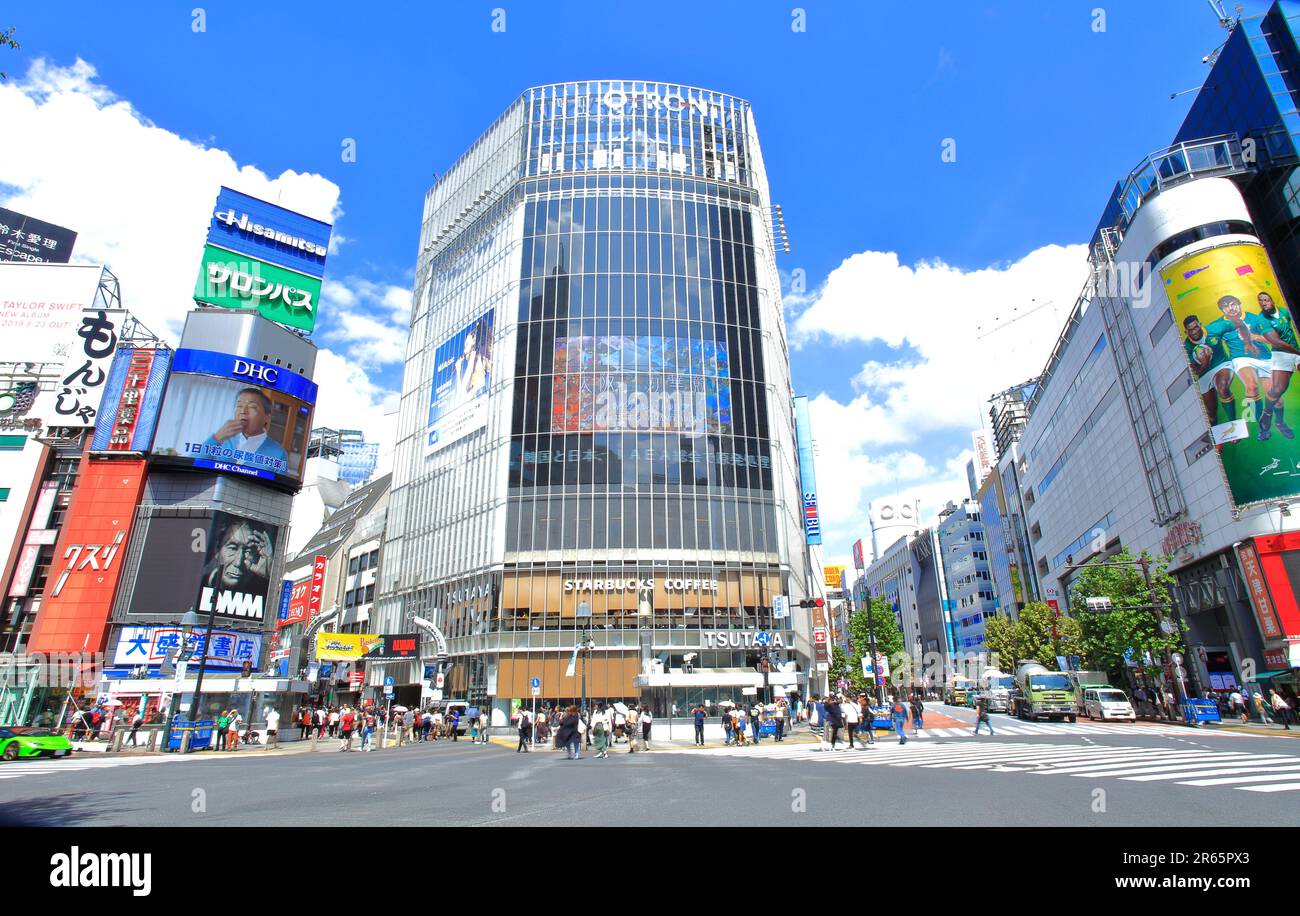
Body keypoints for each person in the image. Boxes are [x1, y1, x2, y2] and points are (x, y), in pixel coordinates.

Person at [202, 387, 290, 470]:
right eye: (239, 406)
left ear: (267, 417)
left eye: (252, 407)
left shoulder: (279, 454)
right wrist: (216, 438)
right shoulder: (220, 440)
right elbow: (194, 467)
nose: (243, 411)